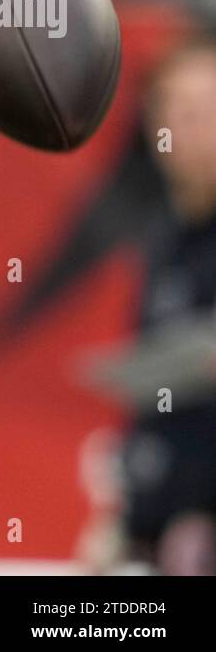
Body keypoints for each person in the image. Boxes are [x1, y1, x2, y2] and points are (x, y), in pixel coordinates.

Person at [119, 36, 216, 574]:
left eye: (204, 113)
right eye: (176, 111)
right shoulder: (163, 241)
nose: (188, 130)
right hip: (160, 520)